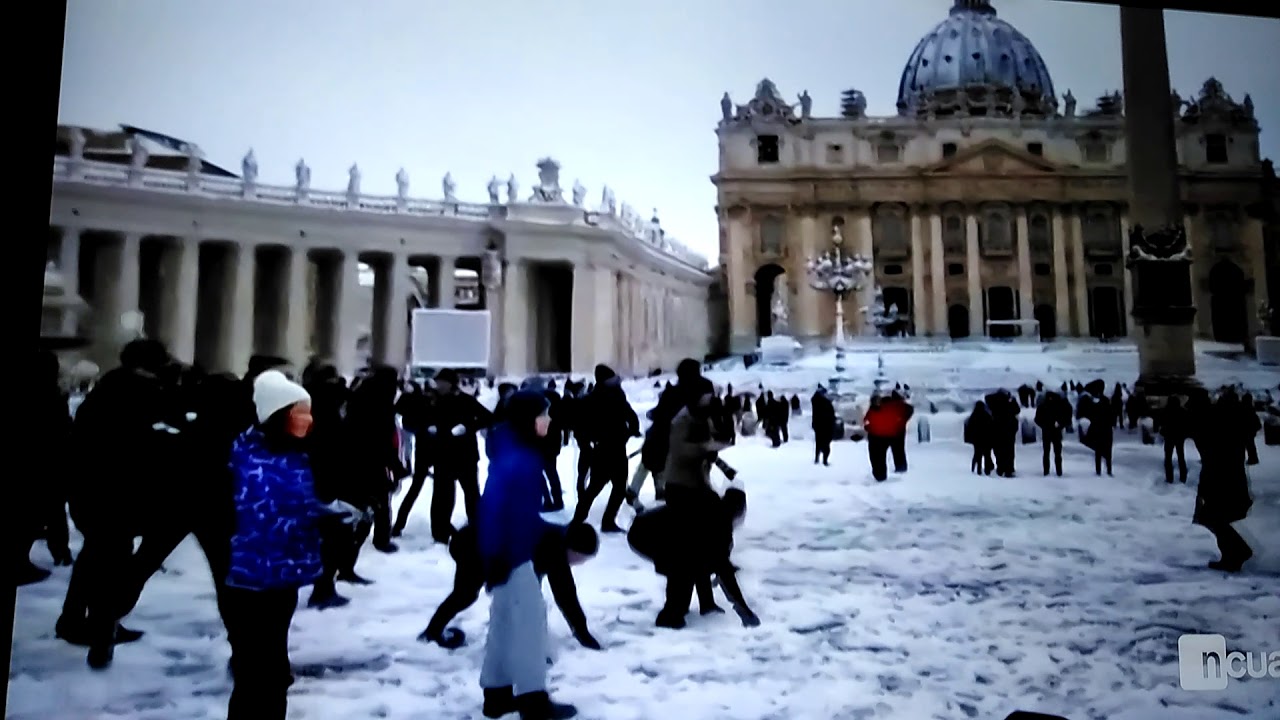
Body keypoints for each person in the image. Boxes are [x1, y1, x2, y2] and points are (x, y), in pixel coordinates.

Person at [223, 370, 361, 720]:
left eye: (308, 411)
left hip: (284, 576)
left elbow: (297, 503)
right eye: (299, 412)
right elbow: (246, 512)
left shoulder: (298, 454)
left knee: (274, 671)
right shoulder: (241, 456)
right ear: (278, 415)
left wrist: (328, 515)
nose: (307, 419)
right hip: (249, 577)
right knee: (257, 674)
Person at [476, 390, 578, 719]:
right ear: (527, 420)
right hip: (512, 554)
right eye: (543, 415)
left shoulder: (515, 451)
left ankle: (496, 693)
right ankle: (533, 699)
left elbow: (516, 512)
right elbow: (492, 508)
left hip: (511, 550)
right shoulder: (519, 459)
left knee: (504, 622)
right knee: (531, 623)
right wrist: (496, 554)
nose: (549, 420)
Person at [420, 522, 601, 652]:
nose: (581, 563)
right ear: (573, 549)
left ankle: (433, 632)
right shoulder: (551, 549)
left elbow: (565, 595)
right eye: (582, 558)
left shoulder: (556, 545)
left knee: (475, 594)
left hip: (481, 545)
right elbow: (557, 595)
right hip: (470, 544)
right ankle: (432, 633)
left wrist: (581, 631)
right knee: (466, 594)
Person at [811, 387, 835, 466]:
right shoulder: (826, 403)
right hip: (826, 426)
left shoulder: (815, 401)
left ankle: (817, 458)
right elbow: (830, 415)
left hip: (818, 425)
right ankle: (825, 460)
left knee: (818, 442)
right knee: (826, 443)